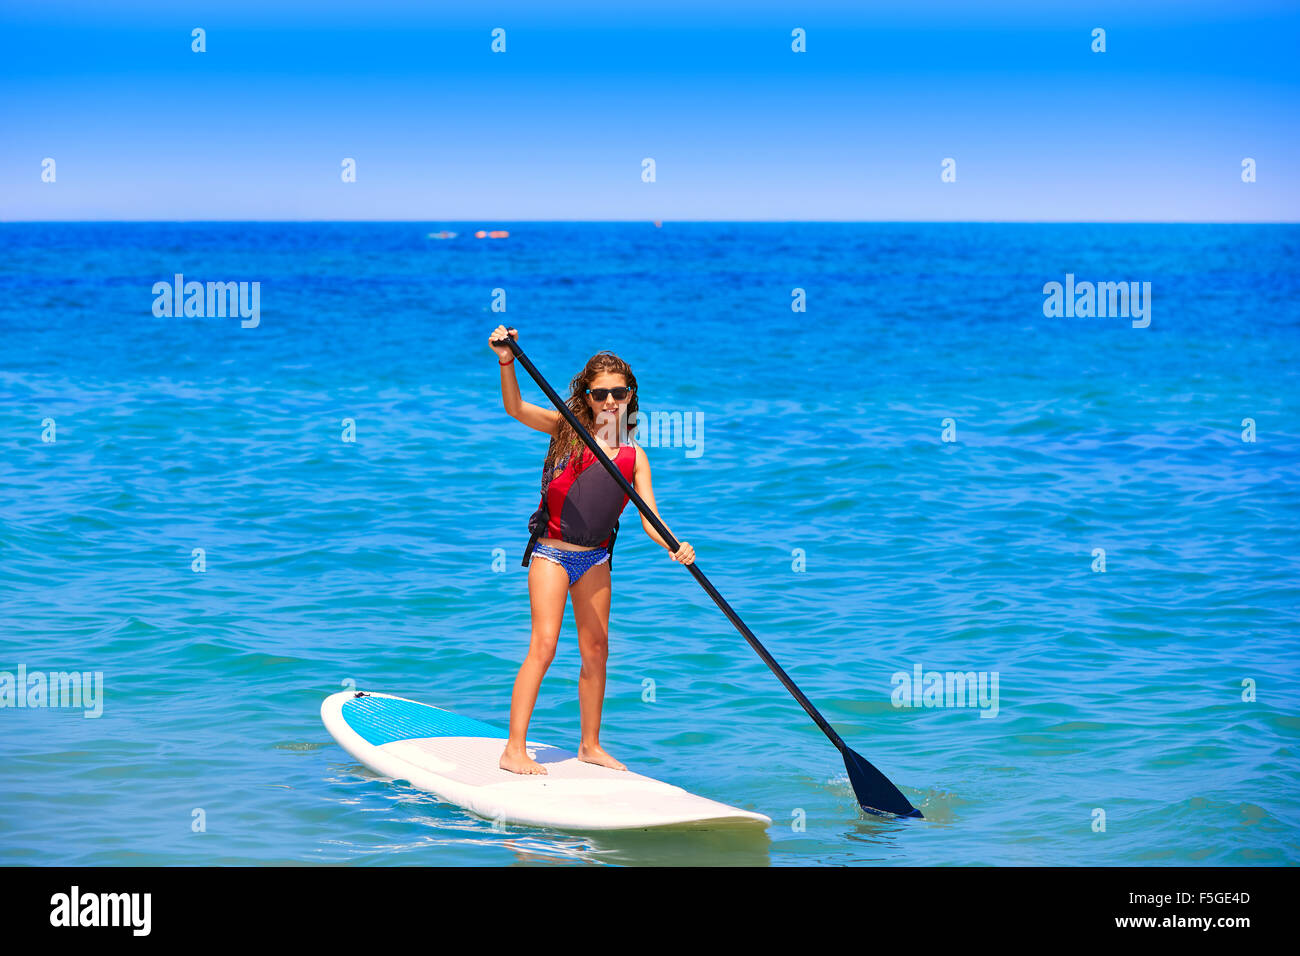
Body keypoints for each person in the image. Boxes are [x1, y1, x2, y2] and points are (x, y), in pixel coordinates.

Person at [489, 325, 695, 774]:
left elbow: (649, 520)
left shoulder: (634, 456)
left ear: (629, 396)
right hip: (553, 555)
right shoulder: (567, 429)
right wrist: (507, 359)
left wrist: (675, 546)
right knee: (543, 645)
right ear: (586, 396)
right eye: (599, 394)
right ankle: (513, 749)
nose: (609, 403)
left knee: (597, 649)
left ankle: (589, 745)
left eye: (617, 394)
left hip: (595, 559)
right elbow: (515, 407)